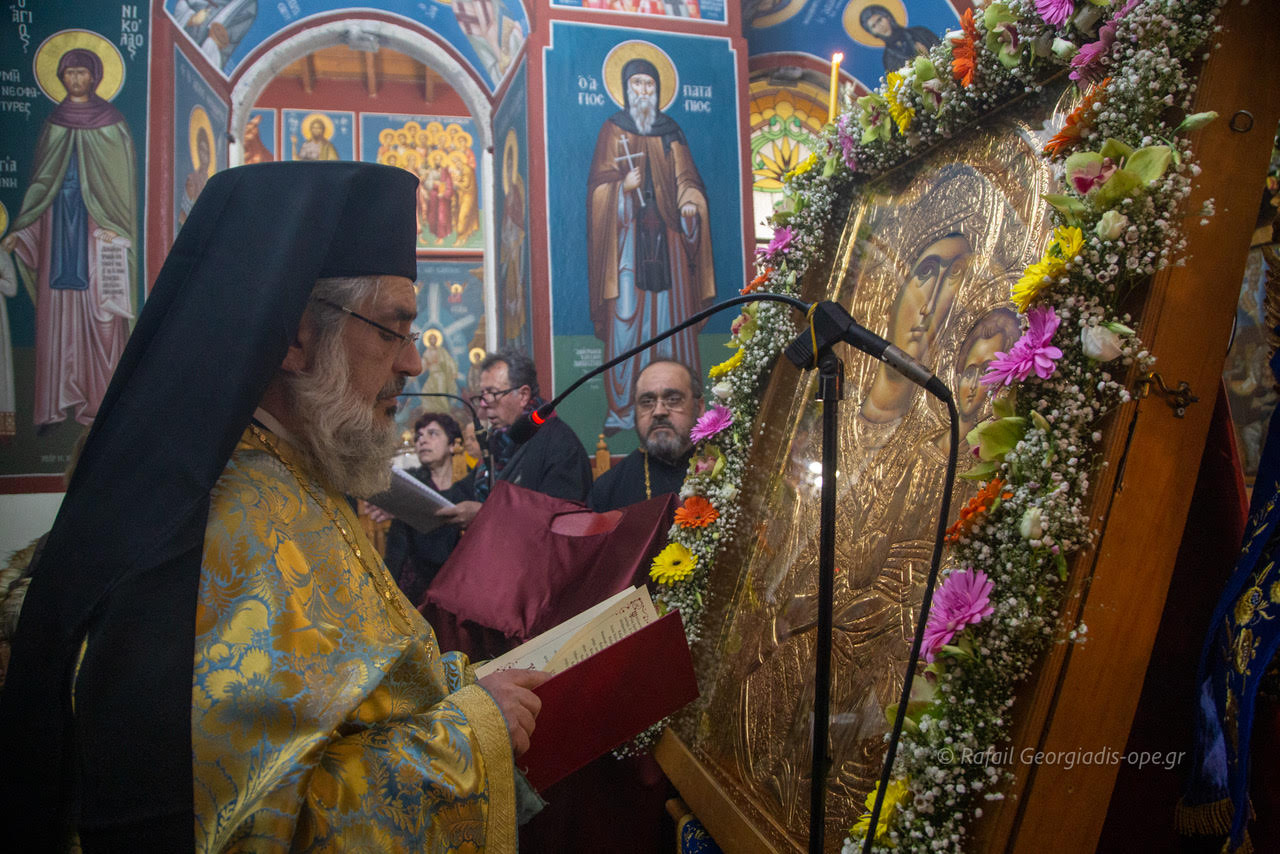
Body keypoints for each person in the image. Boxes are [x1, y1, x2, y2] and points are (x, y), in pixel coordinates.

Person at [0, 162, 546, 850]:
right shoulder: (220, 522)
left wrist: (465, 689)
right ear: (295, 336)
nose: (412, 363)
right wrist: (470, 735)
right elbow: (236, 824)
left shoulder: (293, 473)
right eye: (392, 328)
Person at [2, 46, 137, 431]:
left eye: (82, 73)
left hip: (98, 235)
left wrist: (117, 227)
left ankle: (99, 402)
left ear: (95, 76)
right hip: (58, 231)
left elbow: (119, 191)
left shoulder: (113, 125)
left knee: (103, 317)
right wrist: (24, 229)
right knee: (58, 315)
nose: (75, 80)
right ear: (61, 78)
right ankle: (55, 406)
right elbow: (42, 183)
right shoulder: (54, 124)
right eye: (69, 74)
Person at [587, 52, 717, 436]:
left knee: (671, 322)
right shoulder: (612, 129)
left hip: (670, 246)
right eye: (636, 85)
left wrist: (692, 202)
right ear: (625, 91)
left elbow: (686, 179)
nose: (643, 91)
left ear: (658, 91)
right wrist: (618, 190)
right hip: (627, 244)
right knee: (625, 321)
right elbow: (597, 186)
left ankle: (682, 412)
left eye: (649, 85)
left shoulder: (671, 131)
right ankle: (623, 407)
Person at [448, 349, 592, 522]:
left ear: (523, 395)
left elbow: (558, 518)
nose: (484, 405)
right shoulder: (499, 442)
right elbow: (464, 493)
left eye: (493, 394)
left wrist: (484, 513)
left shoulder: (561, 446)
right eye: (482, 396)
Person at [382, 412, 476, 604]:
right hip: (413, 585)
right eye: (419, 437)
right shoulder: (409, 484)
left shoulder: (471, 486)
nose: (422, 440)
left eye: (432, 434)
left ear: (452, 445)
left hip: (460, 583)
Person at [589, 358, 704, 511]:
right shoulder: (607, 490)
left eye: (673, 399)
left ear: (700, 407)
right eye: (647, 402)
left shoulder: (728, 469)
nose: (659, 412)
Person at [859, 4, 940, 73]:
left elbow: (942, 50)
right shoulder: (888, 59)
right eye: (874, 26)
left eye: (879, 20)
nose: (879, 26)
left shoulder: (920, 32)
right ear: (872, 33)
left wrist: (929, 55)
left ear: (888, 17)